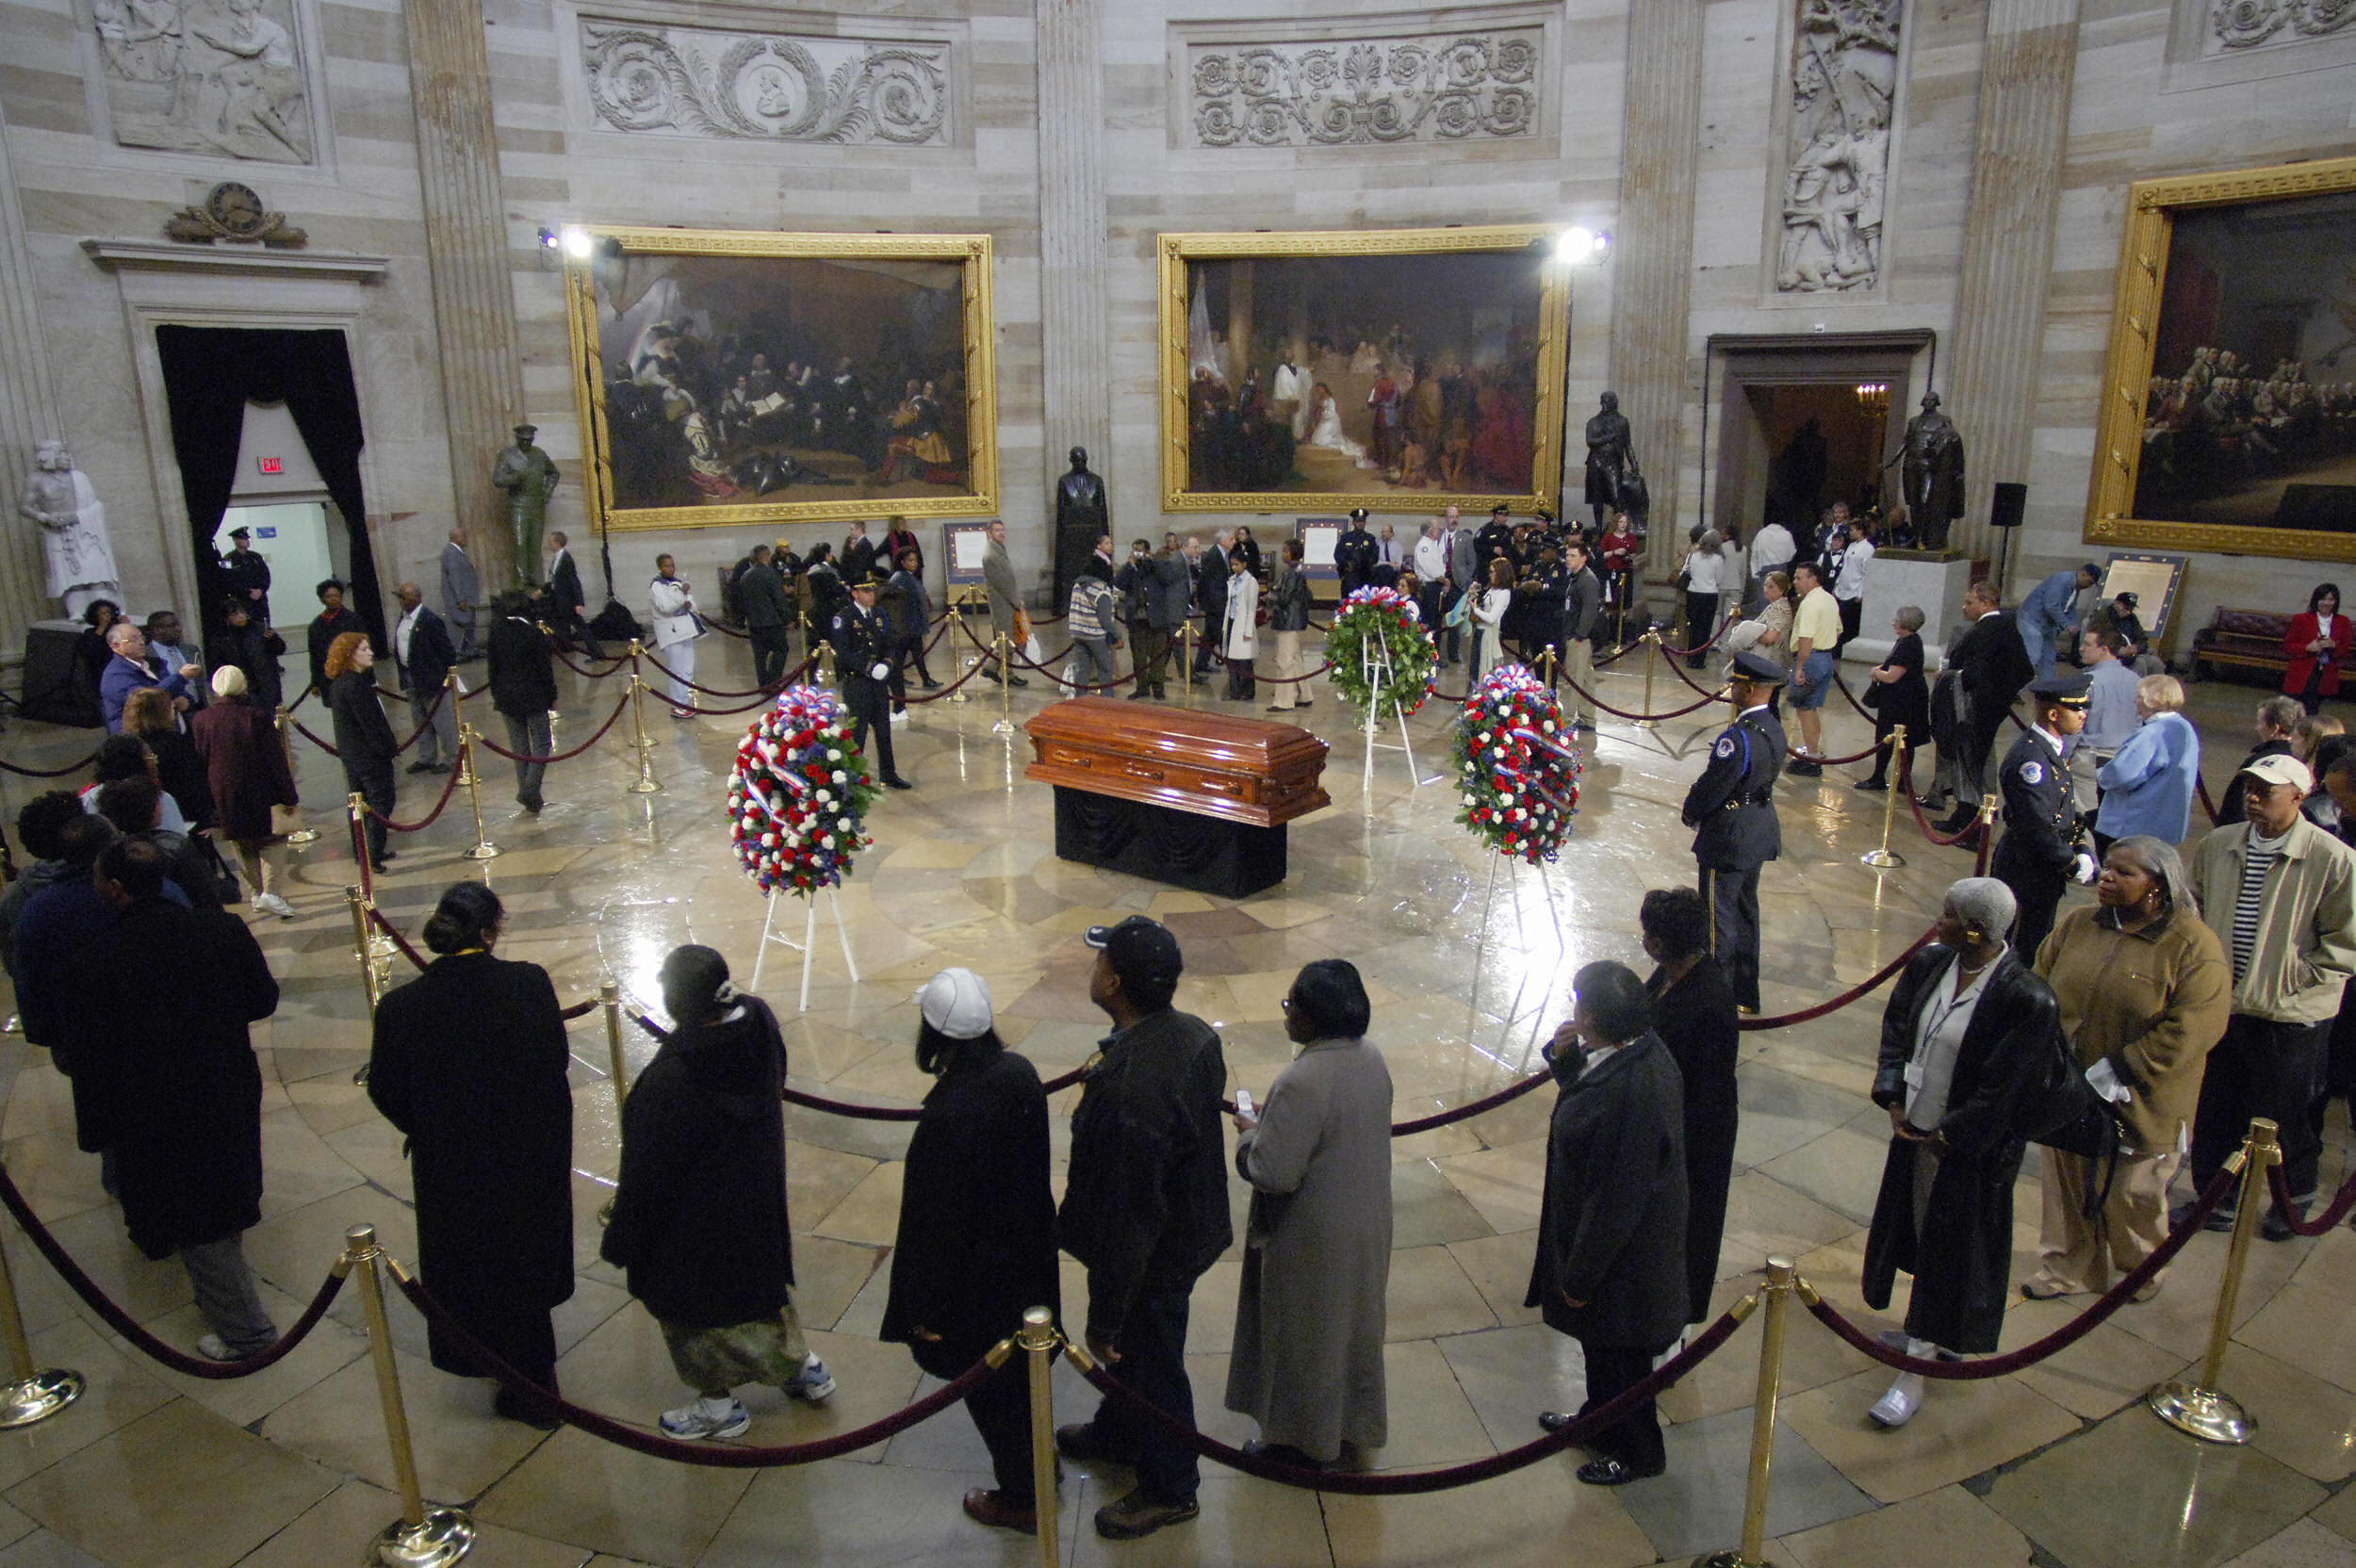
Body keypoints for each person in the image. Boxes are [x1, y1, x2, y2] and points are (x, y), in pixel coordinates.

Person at [602, 946, 836, 1438]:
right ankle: (803, 1369)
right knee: (760, 1293)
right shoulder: (758, 1021)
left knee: (696, 1316)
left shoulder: (672, 1078)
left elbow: (648, 1170)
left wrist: (623, 1236)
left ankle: (718, 1406)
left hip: (693, 1224)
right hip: (754, 1197)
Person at [368, 883, 574, 1427]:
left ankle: (501, 1368)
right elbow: (554, 1061)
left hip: (452, 1163)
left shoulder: (401, 1007)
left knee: (472, 1262)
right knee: (522, 1259)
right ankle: (534, 1379)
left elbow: (385, 1089)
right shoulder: (529, 983)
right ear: (490, 933)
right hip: (526, 1155)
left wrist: (427, 1126)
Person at [70, 835, 281, 1361]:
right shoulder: (221, 930)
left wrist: (96, 1131)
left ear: (114, 888)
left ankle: (246, 1332)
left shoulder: (95, 960)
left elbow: (91, 1058)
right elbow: (262, 1000)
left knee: (195, 1214)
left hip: (152, 1107)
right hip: (225, 1083)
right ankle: (225, 1300)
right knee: (224, 1191)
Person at [1055, 917, 1231, 1542]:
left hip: (1155, 1255)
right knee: (1142, 1351)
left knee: (1150, 1358)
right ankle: (1121, 1431)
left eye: (1100, 961)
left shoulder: (1134, 1088)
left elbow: (1130, 1215)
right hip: (1188, 1228)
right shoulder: (1192, 1035)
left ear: (1114, 984)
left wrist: (1104, 1316)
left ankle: (1170, 1487)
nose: (1093, 967)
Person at [1860, 877, 2059, 1429]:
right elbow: (1898, 1031)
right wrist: (1894, 1098)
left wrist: (1951, 1136)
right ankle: (1931, 1334)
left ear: (1976, 930)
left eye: (1948, 913)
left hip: (1965, 1154)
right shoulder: (1929, 965)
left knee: (1950, 1254)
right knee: (1920, 1237)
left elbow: (2005, 1089)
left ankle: (1915, 1370)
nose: (1938, 919)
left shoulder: (2026, 999)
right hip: (1915, 1132)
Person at [880, 969, 1059, 1534]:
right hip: (1026, 1263)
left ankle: (1025, 1497)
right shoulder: (1019, 1072)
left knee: (992, 1393)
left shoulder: (949, 1113)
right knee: (1023, 1384)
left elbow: (935, 1224)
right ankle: (1040, 1465)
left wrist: (924, 1309)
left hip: (976, 1288)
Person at [2024, 837, 2230, 1302]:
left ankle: (2140, 1272)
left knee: (2131, 1193)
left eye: (2124, 872)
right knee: (2066, 1184)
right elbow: (2040, 982)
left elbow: (2196, 1026)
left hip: (2144, 1097)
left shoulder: (2193, 945)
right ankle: (2067, 1265)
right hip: (2070, 1086)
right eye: (2107, 867)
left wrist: (2123, 1067)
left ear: (2157, 884)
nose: (2107, 877)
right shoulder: (2079, 923)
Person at [1225, 960, 1393, 1470]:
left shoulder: (1303, 1078)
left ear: (1313, 1015)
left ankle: (1301, 1443)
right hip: (1362, 1221)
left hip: (1311, 1237)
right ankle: (1347, 1427)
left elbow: (1273, 1172)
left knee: (1304, 1340)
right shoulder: (1370, 1058)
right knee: (1350, 1333)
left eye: (1291, 1005)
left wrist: (1250, 1136)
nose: (1286, 1014)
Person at [2183, 755, 2356, 1237]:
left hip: (2290, 1014)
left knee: (2285, 1117)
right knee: (2218, 1108)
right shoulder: (2219, 844)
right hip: (2227, 1004)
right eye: (2249, 789)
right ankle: (2215, 1200)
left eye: (2266, 791)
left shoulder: (2334, 858)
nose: (2253, 798)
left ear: (2298, 797)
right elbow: (2194, 908)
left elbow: (2346, 941)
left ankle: (2291, 1202)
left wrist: (2296, 978)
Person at [1528, 961, 1687, 1484]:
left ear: (1592, 1018)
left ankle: (1639, 1451)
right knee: (1600, 1345)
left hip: (1625, 1256)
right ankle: (1599, 1420)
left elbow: (1619, 1198)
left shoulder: (1638, 1087)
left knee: (1623, 1357)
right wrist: (1566, 1061)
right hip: (1608, 1244)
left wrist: (1579, 1276)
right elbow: (1586, 1109)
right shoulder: (1630, 1053)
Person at [1640, 889, 1739, 1331]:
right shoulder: (1669, 974)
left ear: (1660, 943)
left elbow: (1707, 1093)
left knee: (1683, 1234)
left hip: (1691, 1142)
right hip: (1662, 1123)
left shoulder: (1709, 1000)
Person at [1682, 652, 1789, 1013]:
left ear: (1751, 689)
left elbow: (1716, 785)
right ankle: (1745, 993)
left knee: (1718, 920)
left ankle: (1716, 1002)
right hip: (1758, 827)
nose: (1732, 689)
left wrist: (1692, 811)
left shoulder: (1738, 737)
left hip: (1728, 835)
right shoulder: (1773, 726)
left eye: (1737, 684)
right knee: (1745, 913)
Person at [1990, 675, 2096, 966]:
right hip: (2027, 870)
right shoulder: (2032, 760)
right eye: (2076, 709)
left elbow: (2062, 810)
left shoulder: (2050, 749)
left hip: (2042, 869)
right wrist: (2071, 863)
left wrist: (2081, 846)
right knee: (2018, 949)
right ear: (2053, 714)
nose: (2083, 715)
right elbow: (2036, 824)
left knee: (2035, 942)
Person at [192, 665, 297, 920]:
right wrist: (288, 796)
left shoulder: (201, 719)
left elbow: (201, 760)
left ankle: (255, 893)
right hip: (259, 789)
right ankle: (271, 893)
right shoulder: (256, 717)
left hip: (222, 791)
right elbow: (275, 760)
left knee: (241, 843)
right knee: (272, 842)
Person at [1937, 580, 2036, 832]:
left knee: (1968, 763)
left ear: (1986, 603)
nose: (1964, 607)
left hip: (1972, 710)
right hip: (1990, 709)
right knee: (1975, 761)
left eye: (1969, 602)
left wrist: (1955, 679)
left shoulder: (1985, 630)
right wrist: (2003, 696)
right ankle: (1964, 815)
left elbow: (1973, 673)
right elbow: (2024, 670)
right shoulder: (2007, 627)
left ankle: (1970, 822)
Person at [2093, 675, 2201, 856]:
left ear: (2154, 701)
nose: (2135, 701)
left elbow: (2121, 775)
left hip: (2133, 825)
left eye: (2140, 697)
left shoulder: (2152, 733)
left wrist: (2101, 773)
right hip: (2167, 825)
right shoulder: (2184, 727)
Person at [830, 575, 912, 790]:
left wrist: (887, 663)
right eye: (866, 591)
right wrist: (867, 668)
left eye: (872, 591)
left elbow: (888, 644)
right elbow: (843, 653)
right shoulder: (844, 617)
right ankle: (852, 778)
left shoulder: (878, 614)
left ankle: (888, 773)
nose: (871, 595)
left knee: (883, 731)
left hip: (878, 683)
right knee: (857, 733)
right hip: (857, 682)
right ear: (855, 593)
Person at [325, 630, 398, 872]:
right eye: (364, 650)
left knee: (359, 803)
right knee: (379, 802)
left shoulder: (341, 682)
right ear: (350, 655)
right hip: (369, 756)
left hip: (353, 755)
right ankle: (372, 854)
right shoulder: (355, 684)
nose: (370, 653)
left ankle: (363, 852)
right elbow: (370, 723)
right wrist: (386, 750)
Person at [486, 590, 556, 815]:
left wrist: (496, 694)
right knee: (542, 743)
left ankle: (529, 796)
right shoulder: (533, 633)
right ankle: (529, 789)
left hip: (506, 698)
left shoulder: (496, 632)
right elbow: (545, 670)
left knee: (519, 748)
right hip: (533, 696)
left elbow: (492, 669)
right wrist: (551, 696)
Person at [1857, 606, 1930, 792]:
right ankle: (1902, 781)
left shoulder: (1908, 645)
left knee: (1890, 738)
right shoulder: (1908, 641)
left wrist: (1876, 672)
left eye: (1896, 620)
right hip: (1907, 698)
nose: (1893, 623)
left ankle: (1880, 777)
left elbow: (1892, 676)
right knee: (1905, 741)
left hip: (1901, 701)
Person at [121, 685, 213, 830]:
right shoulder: (174, 744)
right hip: (185, 819)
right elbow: (193, 782)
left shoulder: (127, 747)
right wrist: (206, 817)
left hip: (144, 821)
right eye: (170, 706)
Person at [390, 581, 457, 775]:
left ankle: (453, 757)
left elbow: (447, 651)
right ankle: (426, 756)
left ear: (417, 598)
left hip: (431, 679)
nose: (401, 601)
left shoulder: (430, 620)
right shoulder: (403, 619)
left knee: (443, 721)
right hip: (410, 677)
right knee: (420, 719)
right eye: (399, 597)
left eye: (404, 597)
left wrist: (441, 676)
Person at [1784, 561, 1841, 775]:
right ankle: (1813, 751)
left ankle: (1811, 758)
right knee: (1811, 708)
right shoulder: (1829, 599)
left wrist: (1800, 667)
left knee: (1805, 709)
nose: (1795, 582)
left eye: (1800, 578)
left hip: (1811, 659)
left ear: (1813, 579)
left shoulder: (1810, 603)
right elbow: (1838, 630)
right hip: (1825, 658)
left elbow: (1806, 638)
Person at [2214, 694, 2304, 828]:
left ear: (2275, 729)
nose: (2257, 728)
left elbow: (2235, 808)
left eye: (2260, 723)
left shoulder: (2259, 763)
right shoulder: (2302, 760)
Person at [99, 620, 198, 734]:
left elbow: (175, 689)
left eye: (142, 637)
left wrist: (185, 698)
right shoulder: (115, 674)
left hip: (174, 729)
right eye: (133, 639)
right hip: (141, 735)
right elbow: (144, 700)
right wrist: (181, 677)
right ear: (116, 646)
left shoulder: (154, 664)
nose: (141, 642)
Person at [2078, 628, 2142, 804]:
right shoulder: (2136, 681)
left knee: (2084, 814)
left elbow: (2074, 726)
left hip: (2089, 759)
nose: (2081, 648)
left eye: (2087, 644)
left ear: (2104, 649)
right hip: (2124, 759)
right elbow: (2140, 722)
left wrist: (2062, 757)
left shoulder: (2087, 681)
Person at [1130, 537, 1191, 701]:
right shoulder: (1132, 568)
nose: (1138, 554)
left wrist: (1153, 562)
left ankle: (1158, 687)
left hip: (1157, 618)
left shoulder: (1158, 564)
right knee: (1139, 658)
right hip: (1138, 619)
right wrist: (1131, 565)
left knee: (1158, 656)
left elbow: (1167, 579)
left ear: (1148, 551)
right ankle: (1142, 687)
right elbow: (1120, 582)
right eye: (1135, 550)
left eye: (1141, 551)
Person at [2018, 563, 2101, 683]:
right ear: (2083, 574)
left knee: (2048, 659)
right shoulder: (2062, 580)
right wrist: (2068, 625)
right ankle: (2013, 686)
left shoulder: (2074, 587)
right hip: (2032, 621)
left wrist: (2073, 625)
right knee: (2032, 656)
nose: (2089, 586)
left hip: (2046, 626)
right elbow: (2051, 606)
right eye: (2090, 582)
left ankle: (2047, 687)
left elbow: (2070, 608)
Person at [647, 555, 703, 720]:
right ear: (660, 567)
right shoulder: (657, 586)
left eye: (672, 565)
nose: (670, 569)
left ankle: (684, 701)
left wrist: (687, 601)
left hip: (685, 630)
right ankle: (677, 704)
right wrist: (682, 596)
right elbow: (665, 607)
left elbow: (692, 604)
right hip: (670, 632)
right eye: (667, 566)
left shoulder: (678, 583)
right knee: (676, 669)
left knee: (687, 669)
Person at [2284, 582, 2352, 716]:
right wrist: (2307, 647)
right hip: (2303, 669)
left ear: (2336, 602)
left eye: (2330, 599)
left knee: (2313, 707)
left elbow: (2345, 650)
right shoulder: (2301, 619)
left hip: (2326, 671)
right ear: (2316, 600)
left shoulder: (2343, 621)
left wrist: (2334, 646)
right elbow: (2287, 645)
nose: (2326, 603)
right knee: (2299, 708)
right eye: (2323, 599)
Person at [1265, 539, 1313, 714]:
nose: (1283, 554)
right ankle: (1304, 695)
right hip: (1294, 620)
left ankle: (1284, 700)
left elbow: (1285, 598)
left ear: (1291, 553)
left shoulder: (1292, 574)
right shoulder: (1297, 572)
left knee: (1285, 661)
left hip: (1288, 621)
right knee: (1296, 659)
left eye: (1285, 551)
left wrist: (1270, 597)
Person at [1066, 544, 1121, 693]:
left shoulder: (1077, 585)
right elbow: (1105, 620)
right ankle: (1106, 700)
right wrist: (1117, 636)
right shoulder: (1101, 590)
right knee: (1105, 669)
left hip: (1078, 633)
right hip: (1095, 635)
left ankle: (1080, 700)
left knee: (1082, 671)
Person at [737, 545, 793, 690]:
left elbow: (740, 599)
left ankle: (763, 683)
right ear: (766, 556)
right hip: (772, 621)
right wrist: (787, 618)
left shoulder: (745, 575)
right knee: (781, 649)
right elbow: (779, 598)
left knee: (760, 655)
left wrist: (742, 619)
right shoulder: (771, 574)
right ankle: (773, 680)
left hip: (754, 622)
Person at [980, 519, 1028, 687]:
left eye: (1002, 530)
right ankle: (1006, 673)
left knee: (1009, 639)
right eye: (997, 530)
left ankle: (992, 668)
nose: (1001, 533)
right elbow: (1004, 583)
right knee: (1007, 640)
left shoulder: (999, 550)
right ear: (989, 533)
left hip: (1006, 601)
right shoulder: (992, 555)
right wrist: (1016, 602)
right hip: (1002, 604)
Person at [1560, 540, 1601, 729]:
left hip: (1580, 638)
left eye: (1572, 555)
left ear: (1583, 558)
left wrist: (1579, 635)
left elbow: (1589, 610)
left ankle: (1565, 718)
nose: (1568, 559)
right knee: (1585, 678)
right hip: (1576, 634)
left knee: (1573, 679)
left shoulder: (1588, 580)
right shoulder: (1576, 577)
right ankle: (1587, 718)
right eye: (1567, 555)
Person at [889, 547, 939, 693]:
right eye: (910, 560)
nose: (914, 563)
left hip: (913, 624)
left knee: (912, 653)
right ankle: (922, 679)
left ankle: (920, 678)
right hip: (907, 625)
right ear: (902, 562)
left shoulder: (909, 577)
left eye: (915, 560)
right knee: (908, 653)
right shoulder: (900, 578)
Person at [545, 531, 601, 659]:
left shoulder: (566, 559)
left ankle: (596, 652)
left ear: (557, 543)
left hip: (568, 601)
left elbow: (573, 581)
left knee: (581, 627)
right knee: (562, 626)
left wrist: (579, 602)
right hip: (559, 600)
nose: (549, 544)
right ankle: (566, 648)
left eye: (551, 542)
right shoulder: (557, 558)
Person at [305, 578, 365, 699]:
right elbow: (315, 656)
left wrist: (369, 678)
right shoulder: (316, 626)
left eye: (336, 596)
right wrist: (315, 682)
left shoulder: (353, 620)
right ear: (322, 599)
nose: (333, 599)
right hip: (329, 677)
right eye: (328, 596)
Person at [1679, 529, 1725, 670]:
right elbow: (1719, 579)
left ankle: (1690, 657)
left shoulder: (1693, 556)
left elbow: (1689, 573)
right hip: (1709, 594)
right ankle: (1699, 660)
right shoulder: (1718, 559)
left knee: (1693, 626)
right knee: (1705, 629)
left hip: (1693, 593)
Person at [1220, 547, 1257, 701]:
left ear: (1244, 564)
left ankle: (1247, 690)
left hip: (1243, 624)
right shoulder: (1232, 580)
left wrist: (1248, 631)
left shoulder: (1251, 582)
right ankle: (1234, 690)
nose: (1234, 568)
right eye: (1232, 565)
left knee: (1244, 660)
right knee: (1231, 659)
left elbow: (1251, 608)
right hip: (1231, 621)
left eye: (1237, 564)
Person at [1469, 558, 1513, 683]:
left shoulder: (1504, 593)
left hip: (1489, 634)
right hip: (1479, 631)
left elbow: (1491, 618)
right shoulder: (1492, 589)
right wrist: (1473, 595)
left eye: (1493, 572)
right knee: (1474, 669)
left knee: (1484, 670)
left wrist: (1475, 609)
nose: (1490, 575)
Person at [439, 528, 481, 662]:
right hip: (461, 598)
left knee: (469, 625)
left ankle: (470, 650)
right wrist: (460, 599)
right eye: (464, 536)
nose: (466, 539)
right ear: (456, 538)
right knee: (460, 625)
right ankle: (459, 652)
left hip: (466, 597)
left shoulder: (457, 552)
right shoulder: (452, 553)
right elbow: (455, 577)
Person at [1333, 509, 1378, 599]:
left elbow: (1375, 556)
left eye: (1362, 521)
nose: (1360, 524)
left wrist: (1366, 562)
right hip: (1350, 574)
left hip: (1366, 575)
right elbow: (1338, 554)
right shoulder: (1346, 538)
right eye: (1358, 521)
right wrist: (1347, 563)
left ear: (1365, 523)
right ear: (1353, 522)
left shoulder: (1370, 539)